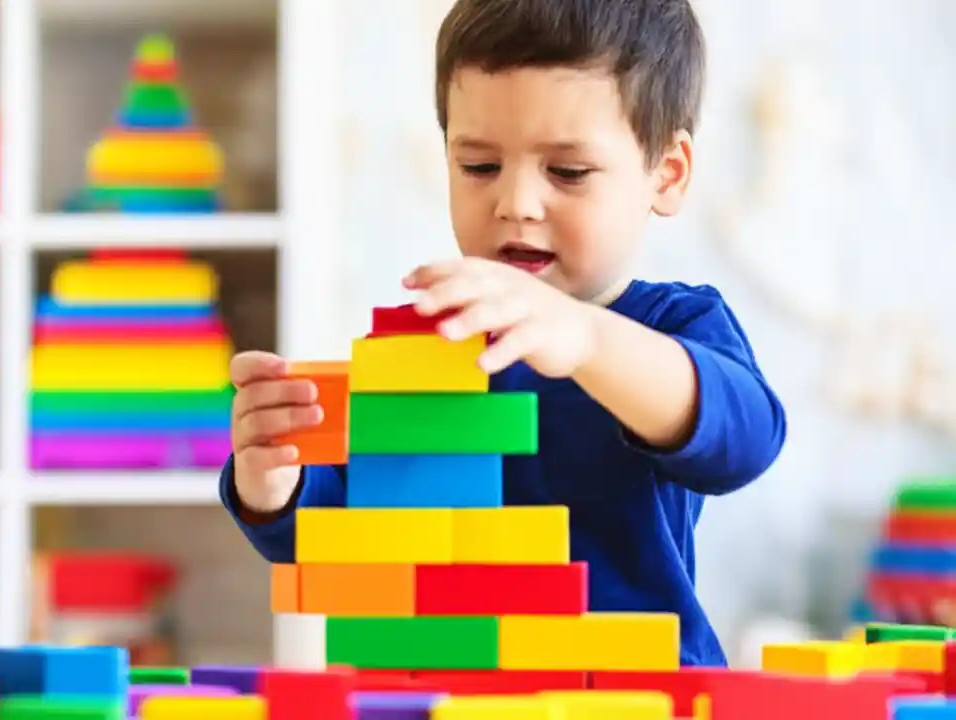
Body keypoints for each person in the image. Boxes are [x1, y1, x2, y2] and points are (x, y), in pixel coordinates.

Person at [218, 0, 786, 666]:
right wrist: (275, 485)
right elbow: (364, 531)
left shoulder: (671, 330)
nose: (515, 202)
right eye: (480, 166)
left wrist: (584, 338)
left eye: (568, 172)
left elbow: (743, 437)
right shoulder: (430, 346)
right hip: (446, 691)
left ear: (667, 172)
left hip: (636, 694)